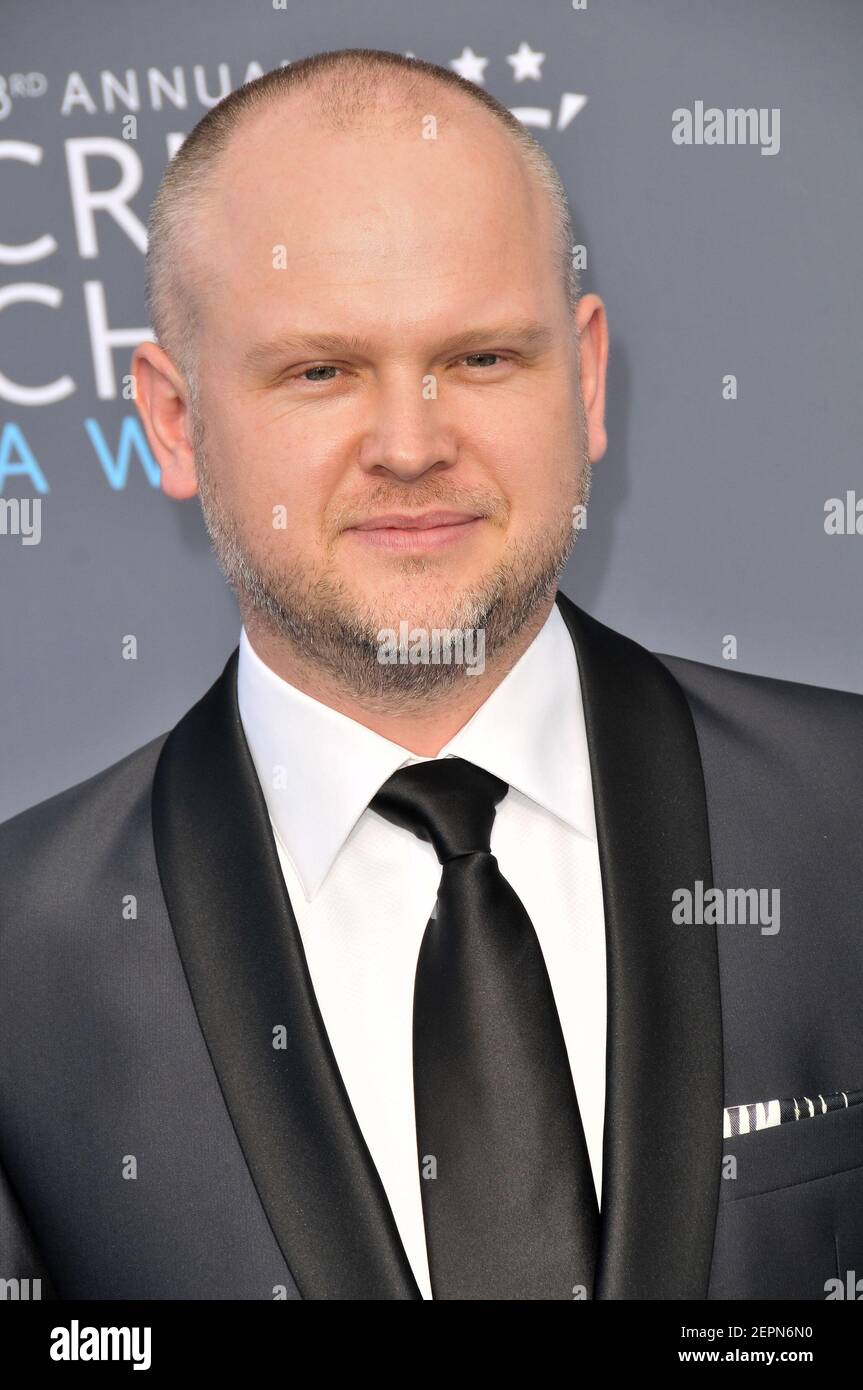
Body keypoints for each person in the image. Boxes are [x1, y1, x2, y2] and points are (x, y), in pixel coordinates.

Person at [1, 47, 862, 1302]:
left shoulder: (843, 818)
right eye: (320, 372)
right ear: (174, 422)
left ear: (585, 379)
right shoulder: (22, 964)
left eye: (479, 359)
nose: (410, 447)